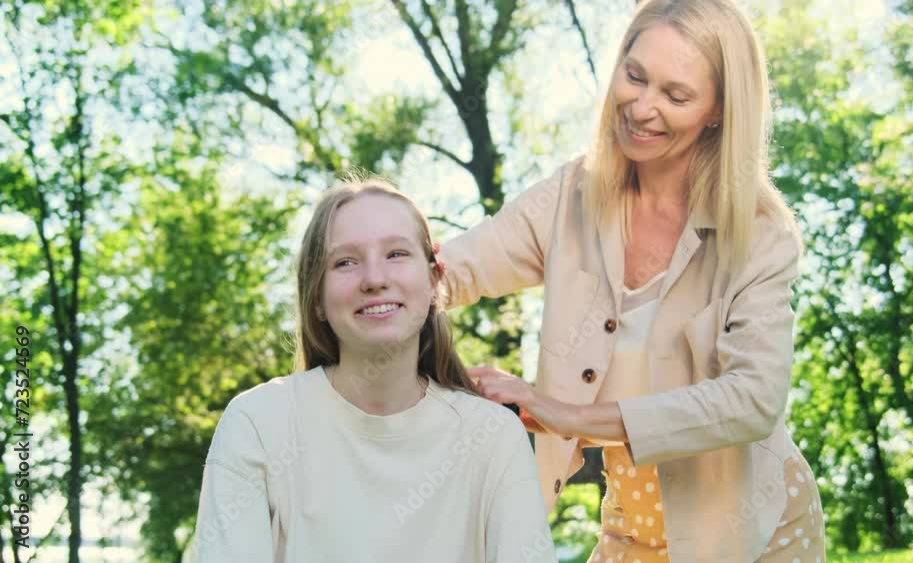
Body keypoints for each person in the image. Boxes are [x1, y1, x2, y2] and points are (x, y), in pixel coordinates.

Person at [437, 0, 826, 561]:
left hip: (755, 530)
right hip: (631, 524)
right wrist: (383, 271)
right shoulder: (571, 194)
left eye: (676, 96)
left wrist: (566, 414)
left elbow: (753, 398)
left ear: (718, 110)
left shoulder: (759, 231)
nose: (642, 109)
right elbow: (457, 268)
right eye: (635, 76)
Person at [192, 177, 556, 562]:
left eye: (396, 254)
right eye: (345, 262)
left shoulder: (494, 437)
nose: (375, 280)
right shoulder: (257, 424)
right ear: (316, 299)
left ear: (434, 280)